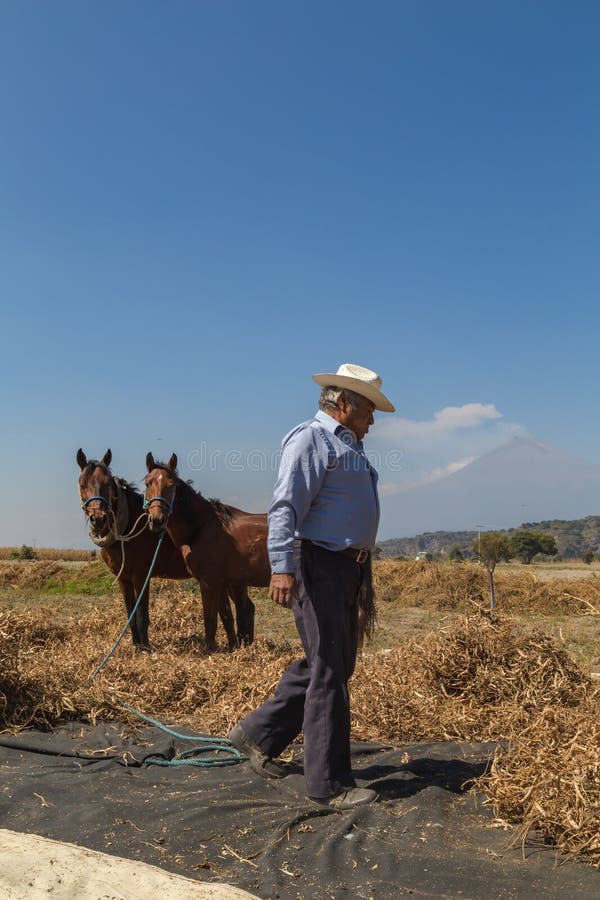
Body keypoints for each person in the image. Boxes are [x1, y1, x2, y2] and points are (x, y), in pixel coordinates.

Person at [229, 363, 395, 810]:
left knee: (332, 663)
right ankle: (328, 784)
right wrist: (280, 568)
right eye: (368, 410)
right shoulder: (311, 439)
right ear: (344, 403)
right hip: (317, 564)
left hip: (344, 569)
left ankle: (256, 734)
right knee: (328, 671)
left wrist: (360, 579)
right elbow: (285, 507)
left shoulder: (348, 445)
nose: (373, 420)